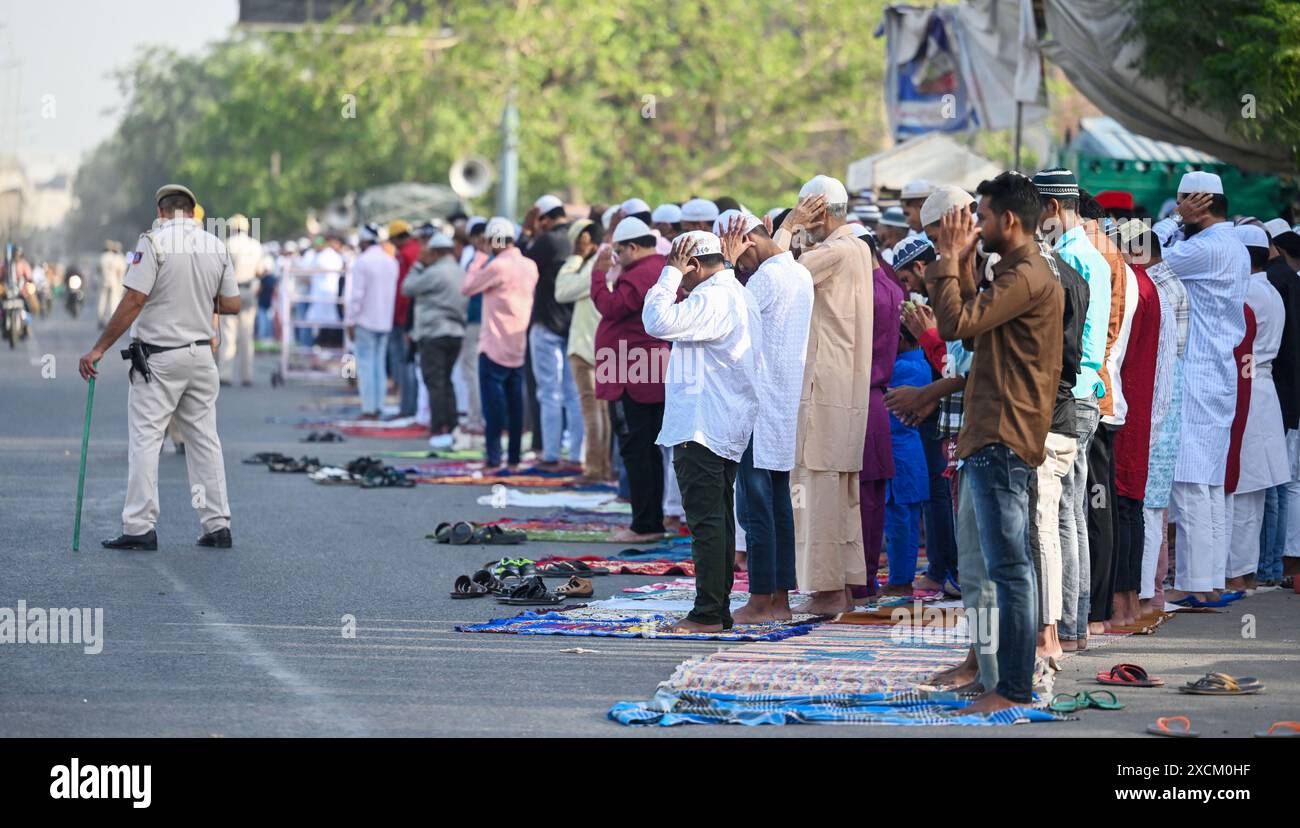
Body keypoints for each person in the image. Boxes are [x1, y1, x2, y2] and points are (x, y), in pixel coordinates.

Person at [926, 172, 1063, 713]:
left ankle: (1012, 688)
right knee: (993, 568)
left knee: (1010, 569)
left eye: (980, 217)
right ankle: (996, 677)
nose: (975, 227)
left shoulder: (1027, 276)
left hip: (1004, 435)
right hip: (993, 433)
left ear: (1009, 220)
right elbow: (970, 328)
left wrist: (949, 256)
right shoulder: (1015, 272)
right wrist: (959, 260)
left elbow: (956, 323)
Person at [79, 184, 239, 550]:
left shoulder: (153, 242)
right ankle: (217, 525)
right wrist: (198, 293)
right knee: (205, 441)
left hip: (160, 358)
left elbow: (135, 298)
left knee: (147, 439)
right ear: (191, 211)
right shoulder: (215, 244)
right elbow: (232, 303)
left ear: (162, 211)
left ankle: (139, 526)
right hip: (201, 355)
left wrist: (99, 348)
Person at [643, 231, 761, 633]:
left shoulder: (713, 296)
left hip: (704, 425)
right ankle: (715, 608)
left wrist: (668, 276)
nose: (681, 281)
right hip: (718, 420)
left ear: (693, 265)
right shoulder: (734, 292)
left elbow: (656, 321)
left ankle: (709, 612)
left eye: (683, 268)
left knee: (708, 522)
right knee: (718, 520)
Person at [771, 175, 874, 615]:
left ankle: (827, 590)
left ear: (822, 211)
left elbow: (773, 276)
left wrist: (788, 226)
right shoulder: (859, 248)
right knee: (837, 491)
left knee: (815, 489)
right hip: (842, 391)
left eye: (808, 212)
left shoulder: (834, 250)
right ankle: (843, 586)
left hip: (823, 389)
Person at [1153, 172, 1249, 604]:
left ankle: (1195, 587)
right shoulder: (1234, 245)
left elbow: (1142, 258)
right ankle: (1208, 583)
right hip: (1217, 372)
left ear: (1199, 203)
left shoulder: (1206, 247)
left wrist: (1173, 220)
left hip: (1196, 374)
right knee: (1207, 486)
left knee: (1191, 484)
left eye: (1183, 203)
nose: (1180, 211)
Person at [717, 212, 813, 623]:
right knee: (777, 506)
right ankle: (779, 601)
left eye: (739, 257)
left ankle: (760, 601)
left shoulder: (765, 280)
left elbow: (728, 322)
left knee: (755, 507)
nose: (739, 266)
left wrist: (723, 269)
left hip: (758, 405)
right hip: (783, 405)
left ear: (747, 240)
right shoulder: (797, 273)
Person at [1035, 167, 1110, 651]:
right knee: (1072, 512)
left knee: (1059, 514)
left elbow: (1070, 341)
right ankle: (1075, 625)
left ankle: (1064, 626)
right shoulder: (1086, 256)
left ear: (1052, 209)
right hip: (1084, 392)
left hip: (1070, 395)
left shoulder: (1073, 261)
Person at [591, 216, 670, 542]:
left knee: (637, 450)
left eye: (618, 253)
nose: (616, 259)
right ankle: (650, 520)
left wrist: (597, 274)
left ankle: (645, 525)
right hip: (647, 372)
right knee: (648, 451)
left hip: (631, 375)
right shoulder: (661, 268)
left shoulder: (640, 274)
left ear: (633, 247)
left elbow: (610, 307)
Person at [1226, 224, 1289, 590]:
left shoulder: (1248, 290)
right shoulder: (1269, 289)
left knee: (1241, 493)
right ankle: (1244, 573)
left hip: (1248, 387)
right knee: (1252, 496)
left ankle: (1237, 574)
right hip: (1261, 389)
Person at [462, 217, 537, 470]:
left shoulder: (496, 267)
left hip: (493, 345)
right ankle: (514, 459)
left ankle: (494, 458)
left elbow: (468, 287)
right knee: (515, 407)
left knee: (494, 408)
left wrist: (480, 257)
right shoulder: (530, 266)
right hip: (518, 344)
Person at [522, 194, 581, 468]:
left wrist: (527, 231)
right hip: (573, 325)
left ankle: (551, 454)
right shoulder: (578, 236)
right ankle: (577, 455)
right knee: (573, 393)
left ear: (543, 218)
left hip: (547, 323)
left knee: (549, 393)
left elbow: (524, 260)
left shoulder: (546, 239)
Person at [554, 218, 612, 482]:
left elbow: (562, 290)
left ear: (585, 240)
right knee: (602, 412)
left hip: (586, 348)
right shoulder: (610, 261)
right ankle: (603, 466)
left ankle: (594, 469)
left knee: (593, 411)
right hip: (603, 347)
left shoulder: (592, 265)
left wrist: (576, 258)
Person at [403, 232, 468, 448]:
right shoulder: (461, 272)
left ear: (437, 252)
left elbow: (408, 288)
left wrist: (419, 264)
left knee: (435, 382)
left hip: (434, 333)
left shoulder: (434, 272)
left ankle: (439, 426)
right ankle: (451, 424)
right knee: (447, 381)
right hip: (456, 332)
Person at [883, 328, 931, 597]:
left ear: (899, 338)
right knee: (906, 523)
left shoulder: (901, 367)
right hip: (910, 456)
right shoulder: (921, 362)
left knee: (899, 523)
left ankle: (900, 579)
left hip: (899, 455)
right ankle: (901, 577)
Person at [345, 223, 399, 420]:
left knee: (367, 366)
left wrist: (350, 321)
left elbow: (357, 296)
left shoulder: (363, 262)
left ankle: (369, 408)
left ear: (365, 241)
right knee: (379, 366)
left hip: (366, 320)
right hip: (385, 320)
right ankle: (379, 406)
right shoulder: (390, 261)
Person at [219, 214, 264, 387]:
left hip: (231, 290)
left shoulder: (227, 244)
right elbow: (260, 271)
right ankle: (247, 375)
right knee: (247, 335)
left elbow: (221, 271)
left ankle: (226, 373)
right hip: (249, 290)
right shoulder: (256, 245)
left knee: (228, 334)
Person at [456, 218, 489, 433]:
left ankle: (476, 419)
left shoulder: (479, 260)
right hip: (487, 322)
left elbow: (466, 289)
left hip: (476, 320)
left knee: (471, 371)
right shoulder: (496, 259)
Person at [388, 220, 422, 417]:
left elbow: (404, 291)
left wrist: (398, 316)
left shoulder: (406, 255)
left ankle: (408, 408)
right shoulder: (416, 250)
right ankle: (411, 406)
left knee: (405, 364)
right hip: (412, 315)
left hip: (405, 317)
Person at [97, 240, 126, 329]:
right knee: (114, 301)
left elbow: (98, 270)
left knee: (102, 302)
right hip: (114, 282)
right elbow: (120, 272)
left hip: (103, 281)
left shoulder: (102, 257)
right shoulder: (118, 258)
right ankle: (112, 321)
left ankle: (101, 319)